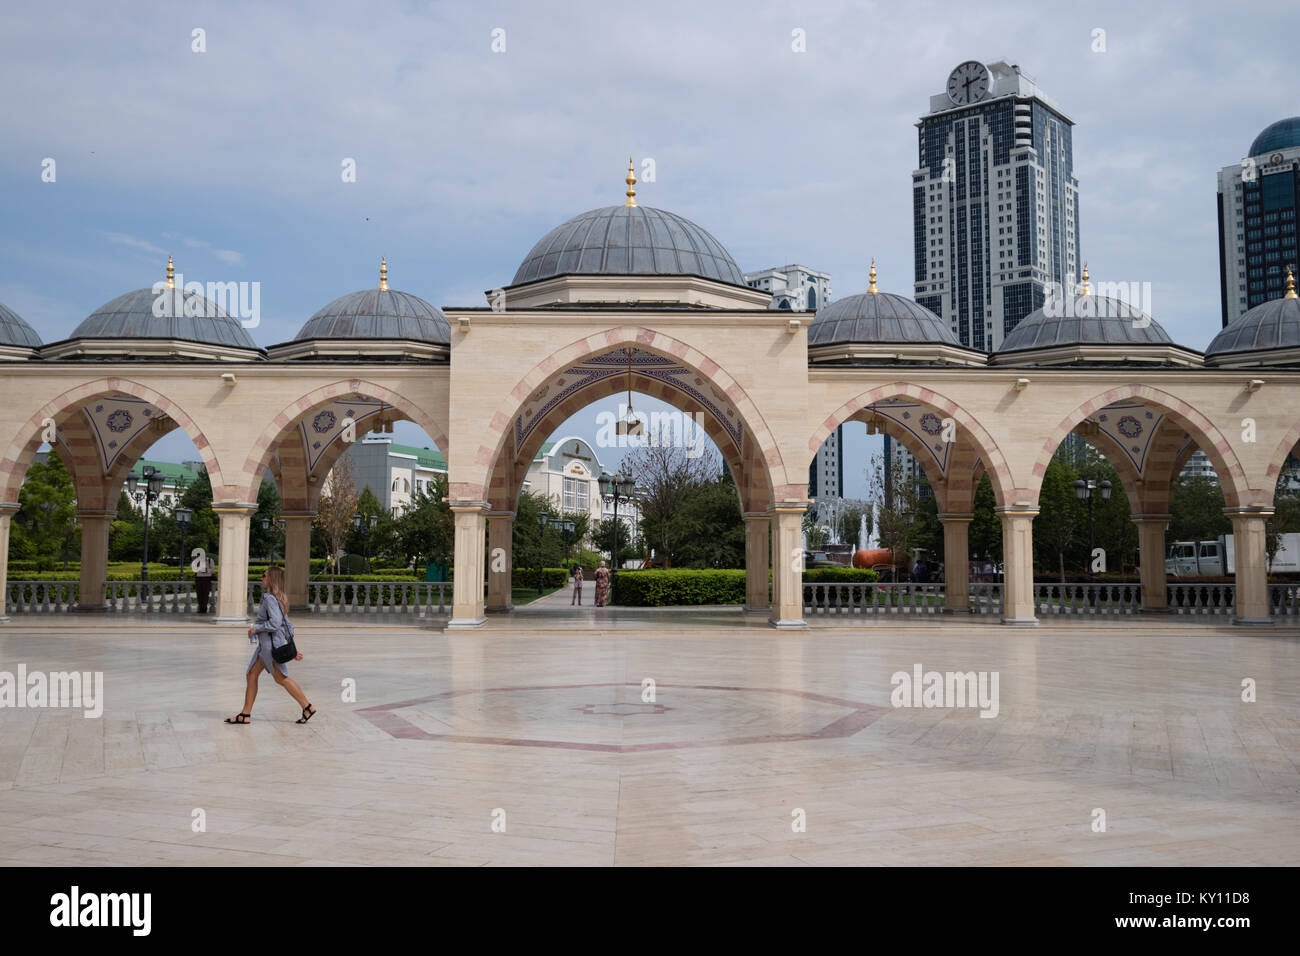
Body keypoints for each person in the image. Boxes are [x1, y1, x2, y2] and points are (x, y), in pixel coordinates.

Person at [225, 566, 314, 725]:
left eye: (264, 576)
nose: (261, 578)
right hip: (268, 646)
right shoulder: (280, 598)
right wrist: (292, 647)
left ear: (271, 579)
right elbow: (288, 625)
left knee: (281, 679)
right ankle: (245, 714)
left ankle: (307, 706)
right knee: (251, 674)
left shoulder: (270, 599)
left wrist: (255, 629)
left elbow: (275, 623)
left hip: (270, 648)